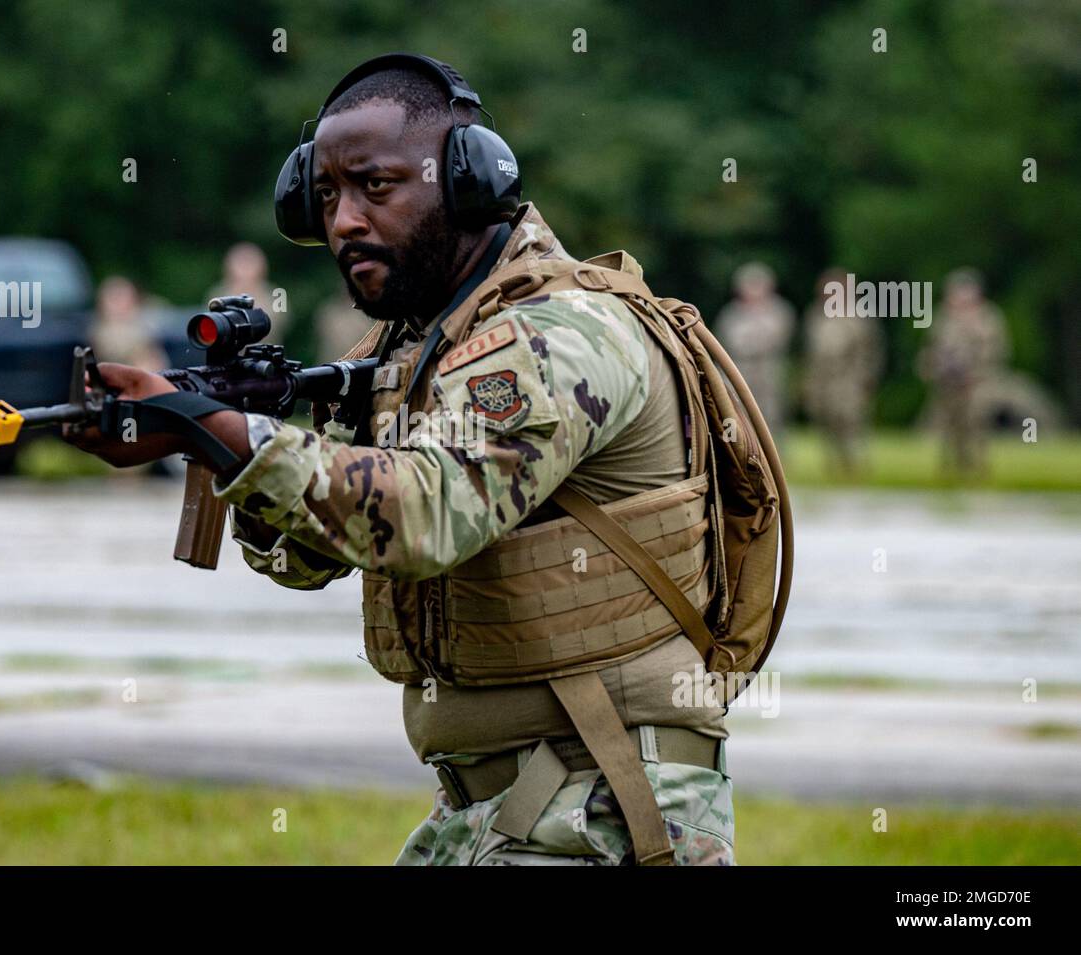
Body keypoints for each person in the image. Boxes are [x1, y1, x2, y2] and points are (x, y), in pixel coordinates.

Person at [64, 55, 734, 866]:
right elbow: (313, 560)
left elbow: (422, 514)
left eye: (374, 187)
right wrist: (224, 435)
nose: (344, 220)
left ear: (465, 183)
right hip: (498, 804)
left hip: (603, 805)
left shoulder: (558, 334)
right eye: (326, 197)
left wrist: (229, 434)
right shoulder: (414, 348)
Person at [918, 268, 1009, 476]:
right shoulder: (944, 319)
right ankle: (951, 470)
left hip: (978, 383)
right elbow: (933, 348)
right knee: (950, 427)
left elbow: (995, 352)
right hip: (949, 385)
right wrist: (932, 367)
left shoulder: (988, 318)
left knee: (976, 424)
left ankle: (978, 469)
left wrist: (973, 372)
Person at [803, 267, 884, 476]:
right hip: (822, 380)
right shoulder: (816, 315)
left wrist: (867, 380)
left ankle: (855, 465)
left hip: (849, 380)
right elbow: (811, 352)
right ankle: (832, 465)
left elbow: (871, 352)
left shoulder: (859, 316)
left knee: (851, 422)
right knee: (825, 421)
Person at [715, 262, 795, 441]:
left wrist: (751, 343)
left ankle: (774, 460)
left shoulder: (779, 311)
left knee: (771, 417)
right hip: (740, 372)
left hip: (769, 373)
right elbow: (726, 343)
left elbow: (775, 339)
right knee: (738, 415)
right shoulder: (731, 313)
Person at [208, 242, 292, 346]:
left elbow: (282, 323)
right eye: (240, 263)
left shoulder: (277, 293)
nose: (245, 269)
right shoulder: (218, 293)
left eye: (250, 263)